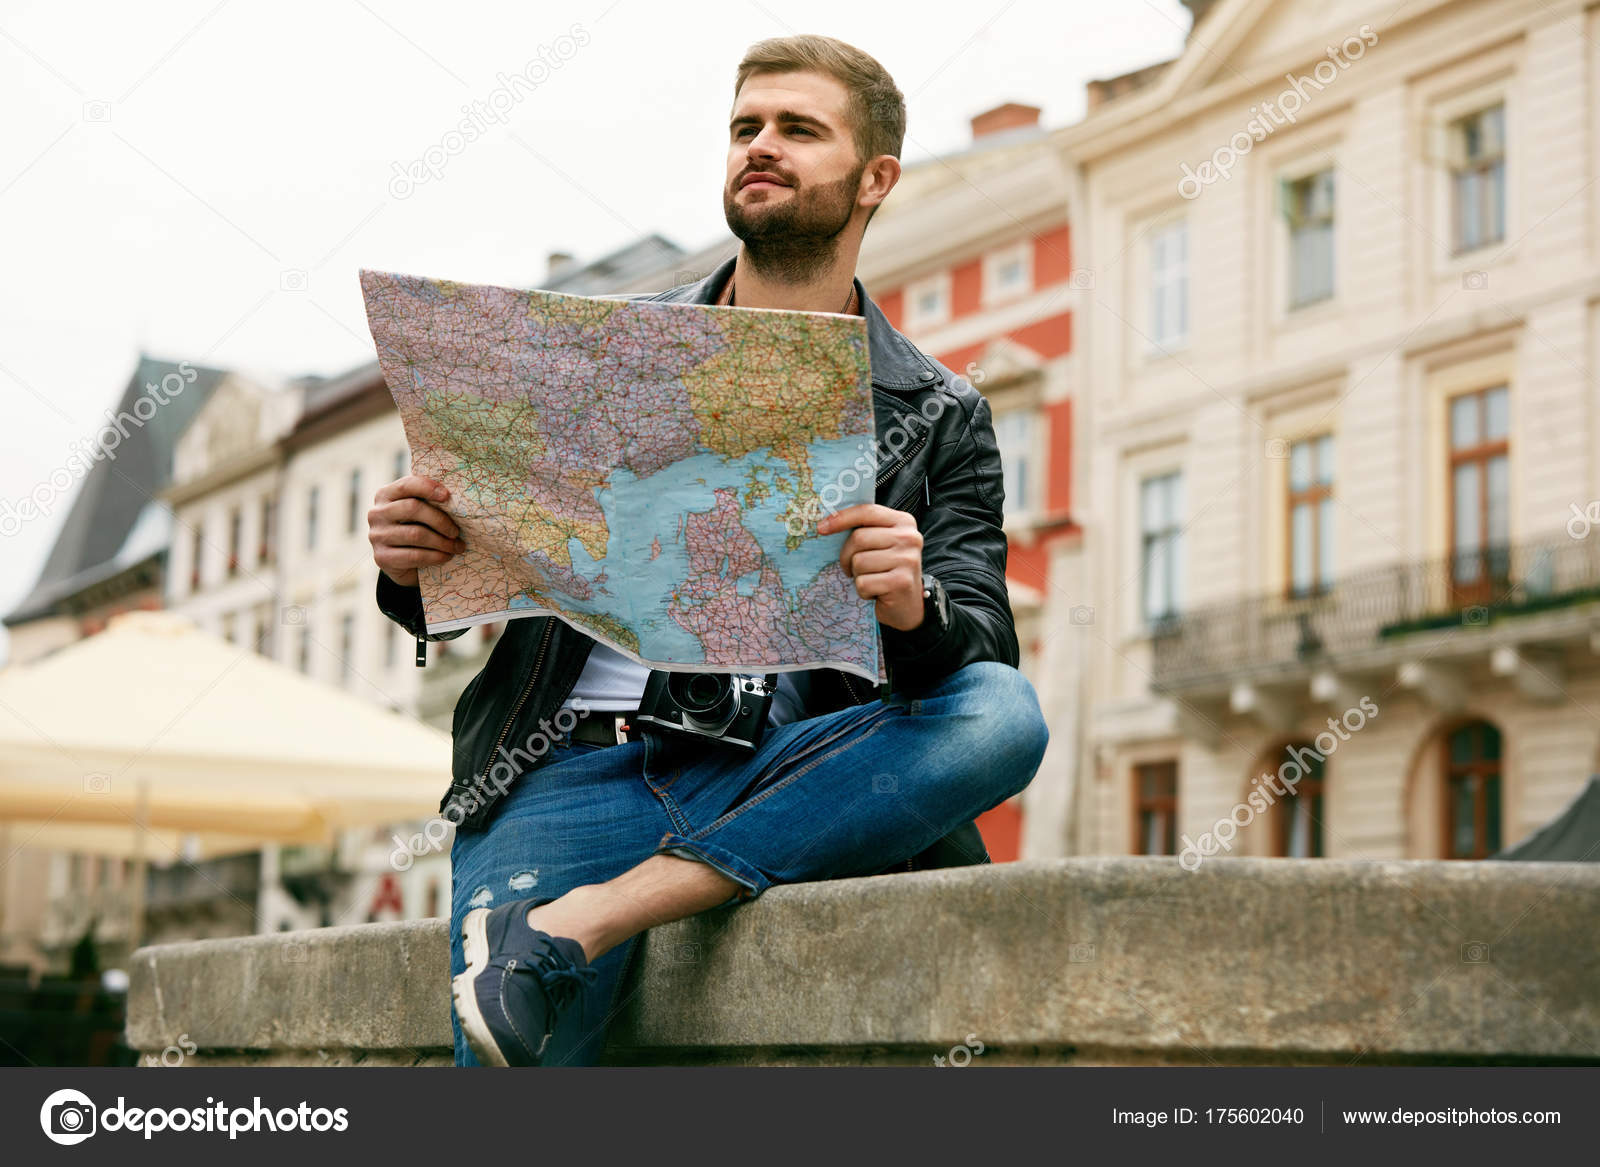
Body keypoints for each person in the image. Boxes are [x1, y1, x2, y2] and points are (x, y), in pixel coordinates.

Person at [368, 33, 1049, 1067]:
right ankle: (570, 918)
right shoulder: (593, 354)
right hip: (569, 767)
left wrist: (913, 606)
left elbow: (981, 630)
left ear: (876, 179)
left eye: (797, 129)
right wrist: (411, 562)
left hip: (785, 772)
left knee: (1002, 712)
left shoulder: (941, 410)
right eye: (745, 128)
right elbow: (474, 580)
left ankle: (576, 925)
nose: (760, 147)